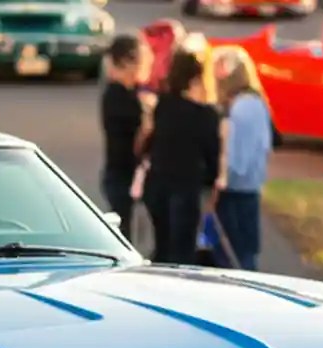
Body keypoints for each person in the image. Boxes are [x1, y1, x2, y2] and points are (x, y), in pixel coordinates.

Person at [142, 51, 221, 266]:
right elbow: (212, 154)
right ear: (196, 79)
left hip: (157, 183)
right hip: (185, 187)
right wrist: (212, 181)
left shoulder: (163, 106)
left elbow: (151, 143)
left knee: (162, 244)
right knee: (183, 248)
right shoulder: (205, 115)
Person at [213, 49, 272, 271]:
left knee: (230, 253)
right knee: (247, 249)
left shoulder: (239, 109)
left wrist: (222, 179)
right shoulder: (257, 103)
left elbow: (236, 154)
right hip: (252, 187)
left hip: (235, 189)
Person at [99, 33, 152, 240]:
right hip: (121, 176)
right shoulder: (117, 97)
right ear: (127, 62)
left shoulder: (133, 93)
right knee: (124, 233)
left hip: (130, 175)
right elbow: (135, 139)